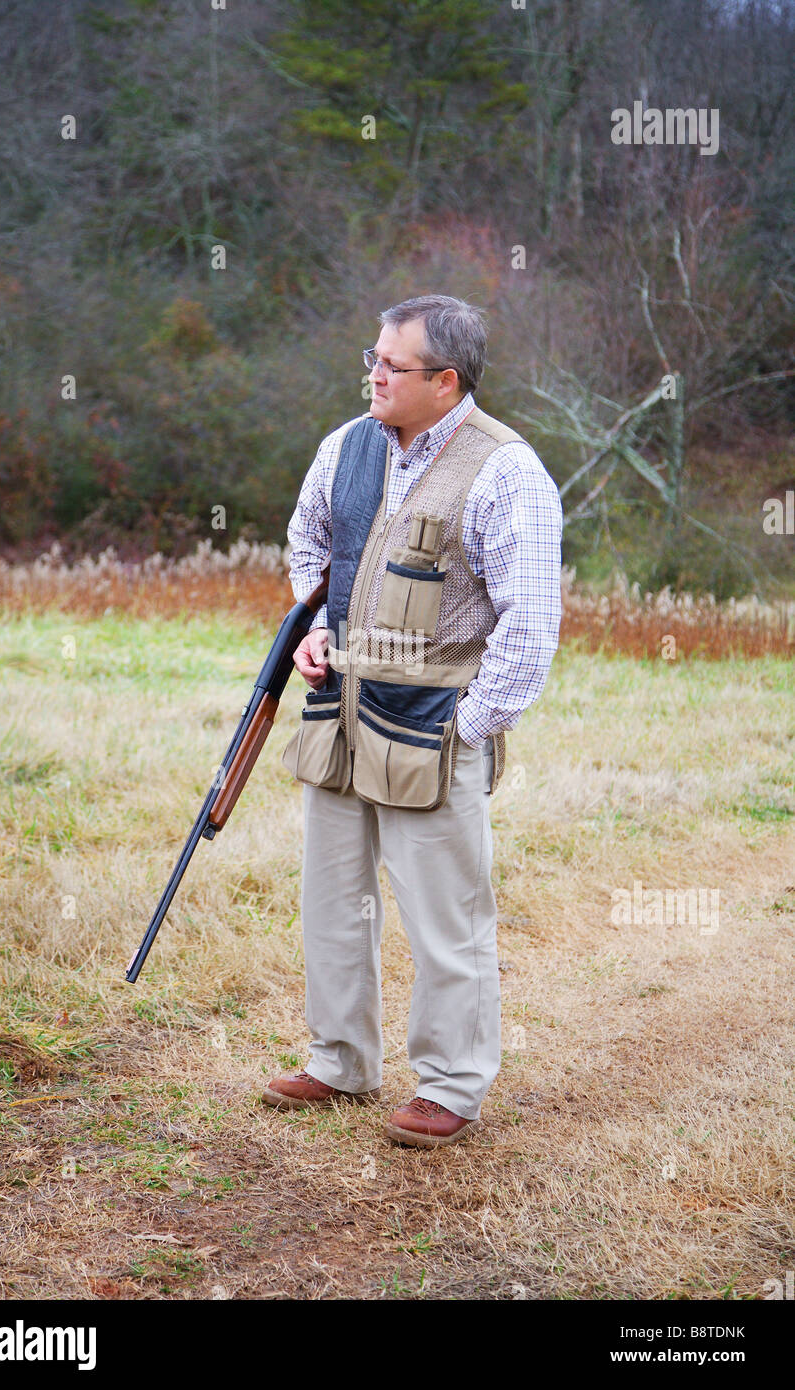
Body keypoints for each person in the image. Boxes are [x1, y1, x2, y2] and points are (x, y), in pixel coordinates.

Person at [264, 294, 563, 1147]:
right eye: (374, 356)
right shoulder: (345, 446)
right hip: (338, 718)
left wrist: (470, 727)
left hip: (434, 733)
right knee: (332, 905)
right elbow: (309, 546)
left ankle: (452, 1086)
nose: (373, 373)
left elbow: (531, 622)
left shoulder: (506, 470)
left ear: (446, 380)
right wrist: (315, 632)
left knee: (446, 920)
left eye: (391, 365)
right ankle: (339, 1060)